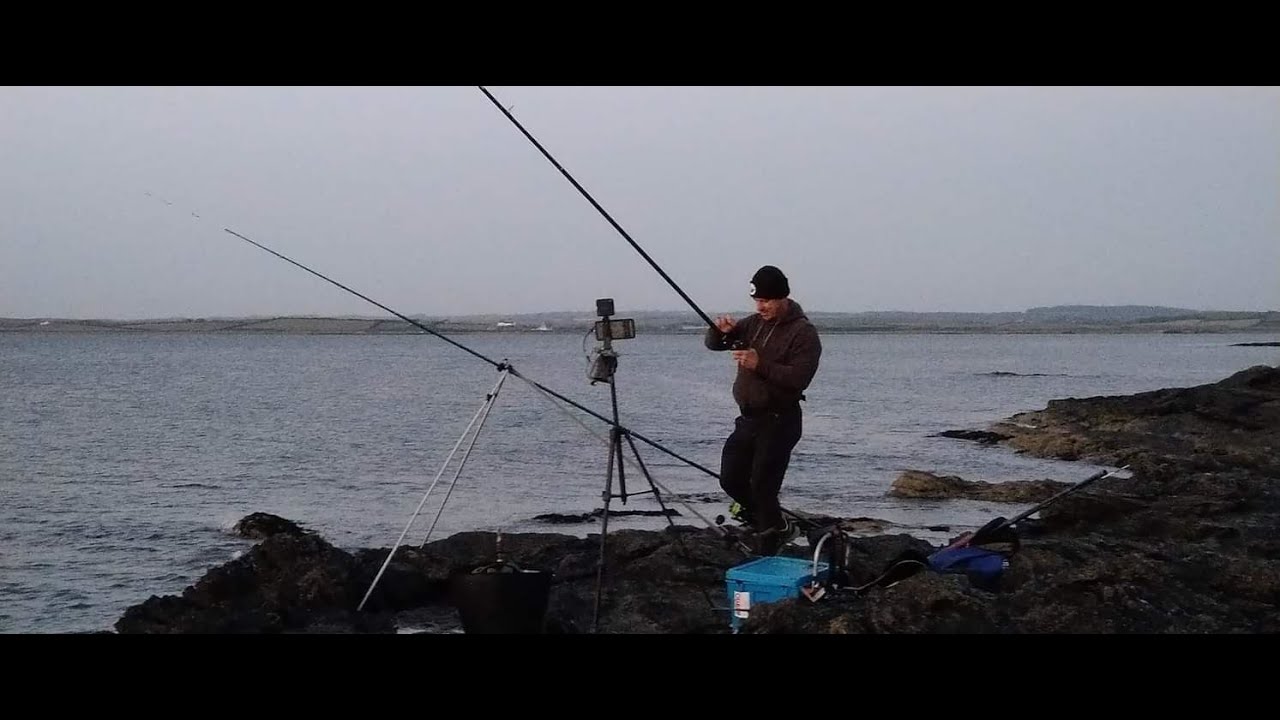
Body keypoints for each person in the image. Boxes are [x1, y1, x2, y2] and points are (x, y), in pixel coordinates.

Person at [705, 264, 822, 555]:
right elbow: (715, 344)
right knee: (730, 478)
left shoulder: (804, 333)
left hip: (780, 420)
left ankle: (770, 537)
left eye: (767, 300)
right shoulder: (753, 323)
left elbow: (799, 378)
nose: (761, 306)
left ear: (783, 297)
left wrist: (761, 365)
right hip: (748, 418)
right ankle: (773, 524)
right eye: (757, 300)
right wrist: (719, 332)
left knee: (762, 485)